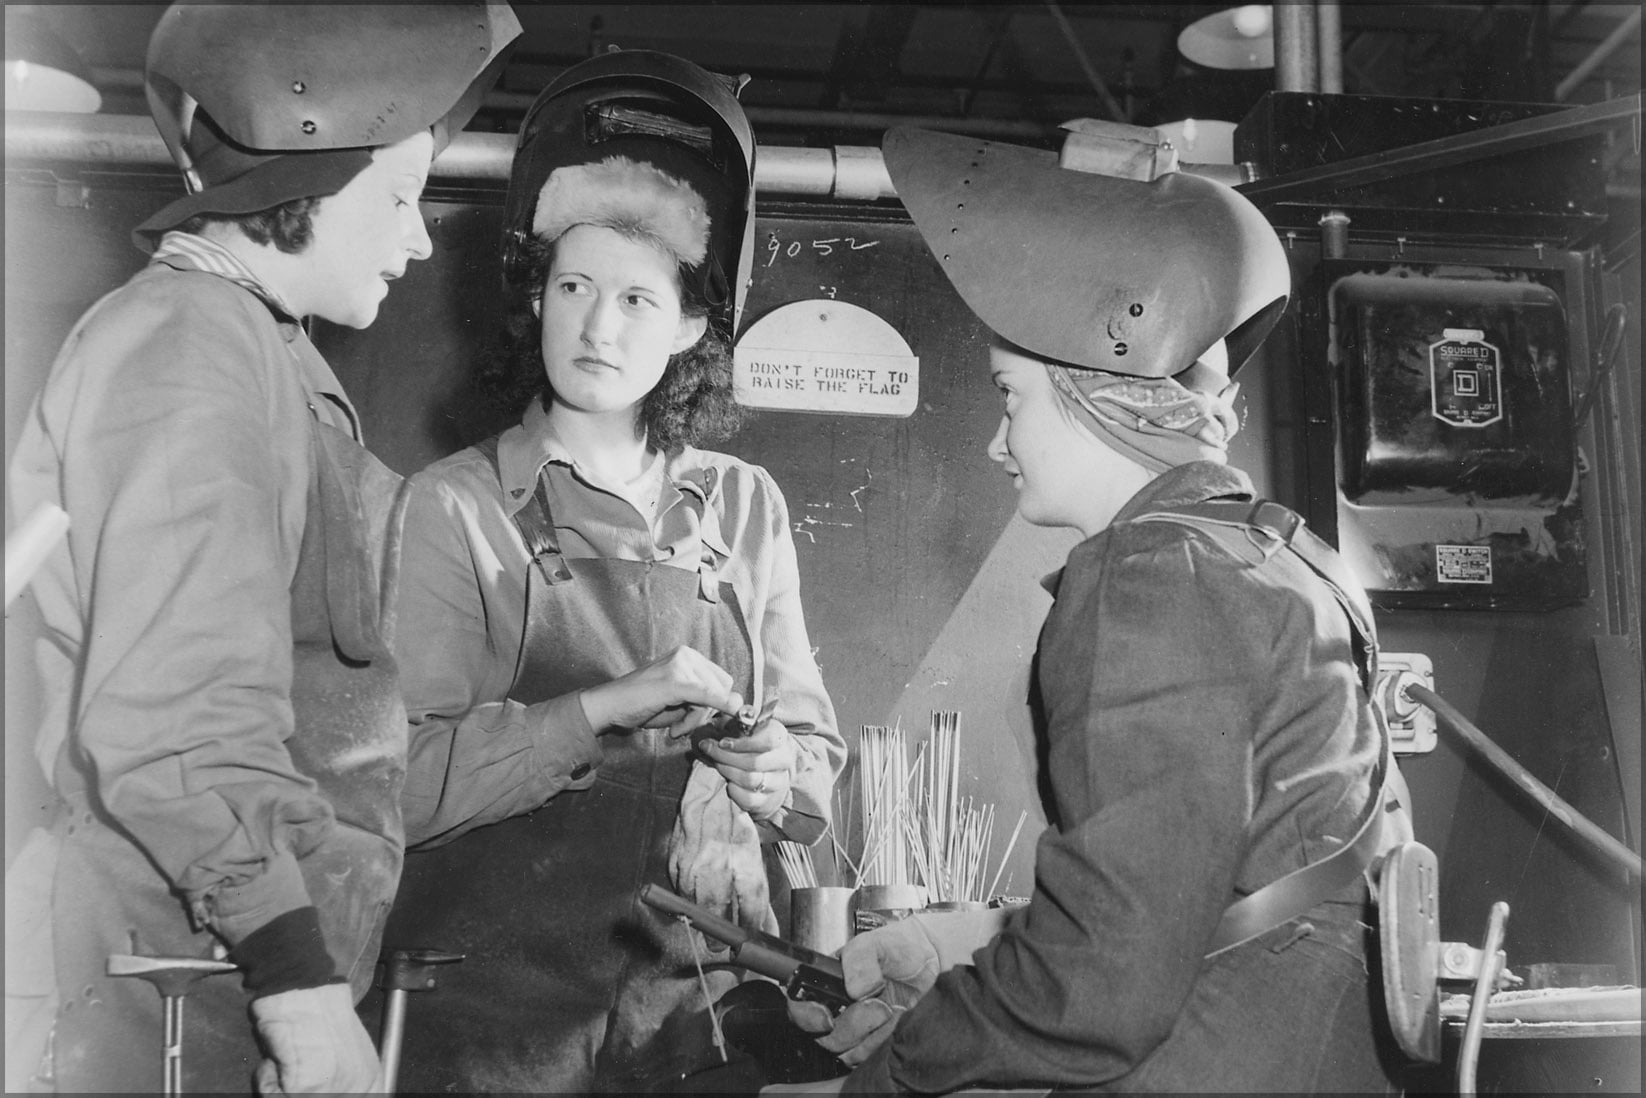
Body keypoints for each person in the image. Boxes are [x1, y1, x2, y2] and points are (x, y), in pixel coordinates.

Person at [783, 127, 1414, 1094]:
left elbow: (1100, 990)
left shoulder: (1151, 573)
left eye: (1010, 398)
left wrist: (891, 1076)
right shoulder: (1265, 551)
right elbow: (1185, 902)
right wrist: (966, 938)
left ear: (1094, 390)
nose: (999, 446)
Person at [4, 4, 520, 1093]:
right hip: (152, 989)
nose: (420, 236)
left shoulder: (262, 352)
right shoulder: (191, 346)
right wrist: (297, 985)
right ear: (307, 179)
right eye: (397, 194)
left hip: (207, 968)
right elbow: (178, 713)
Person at [380, 51, 845, 1093]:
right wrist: (602, 709)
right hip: (488, 1037)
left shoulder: (742, 507)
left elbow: (815, 769)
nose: (595, 326)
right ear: (535, 297)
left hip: (691, 1027)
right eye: (574, 286)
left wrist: (780, 773)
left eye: (637, 298)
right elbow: (397, 789)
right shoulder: (454, 509)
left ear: (689, 325)